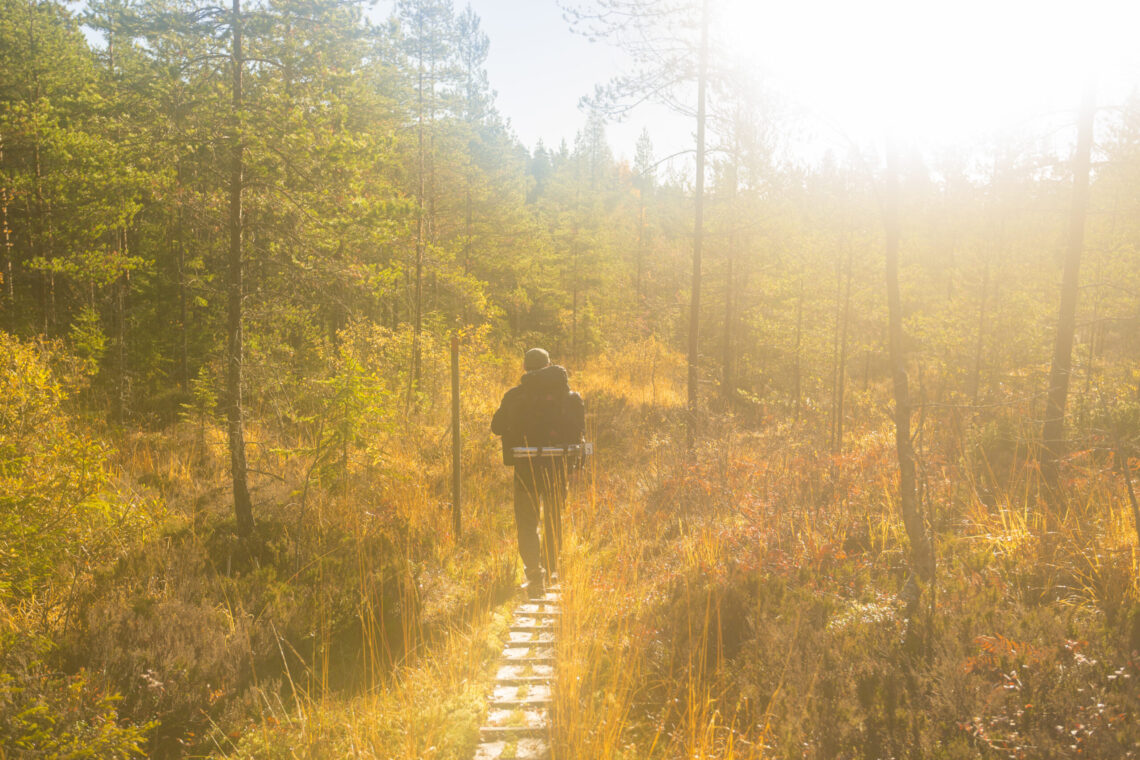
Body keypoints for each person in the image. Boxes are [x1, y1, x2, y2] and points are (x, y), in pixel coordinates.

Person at [491, 347, 585, 598]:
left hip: (526, 467)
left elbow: (496, 426)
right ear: (549, 365)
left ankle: (534, 573)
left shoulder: (515, 396)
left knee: (527, 522)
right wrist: (575, 469)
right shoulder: (569, 397)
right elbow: (579, 432)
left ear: (525, 368)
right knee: (553, 519)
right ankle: (551, 570)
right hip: (557, 468)